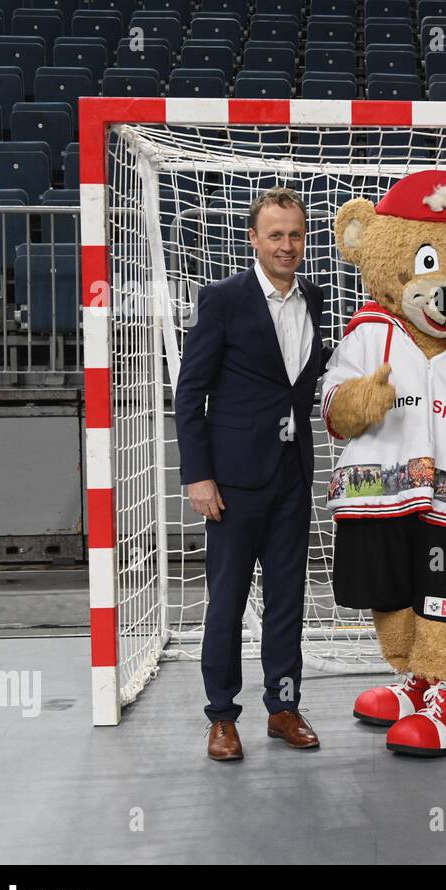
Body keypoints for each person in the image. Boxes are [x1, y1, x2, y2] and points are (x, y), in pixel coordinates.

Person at [174, 186, 329, 761]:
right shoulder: (223, 299)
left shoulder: (316, 296)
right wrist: (198, 475)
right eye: (275, 235)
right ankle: (221, 716)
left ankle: (283, 707)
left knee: (289, 596)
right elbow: (190, 393)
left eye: (295, 234)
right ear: (253, 239)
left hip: (292, 474)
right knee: (228, 600)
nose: (286, 245)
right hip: (233, 481)